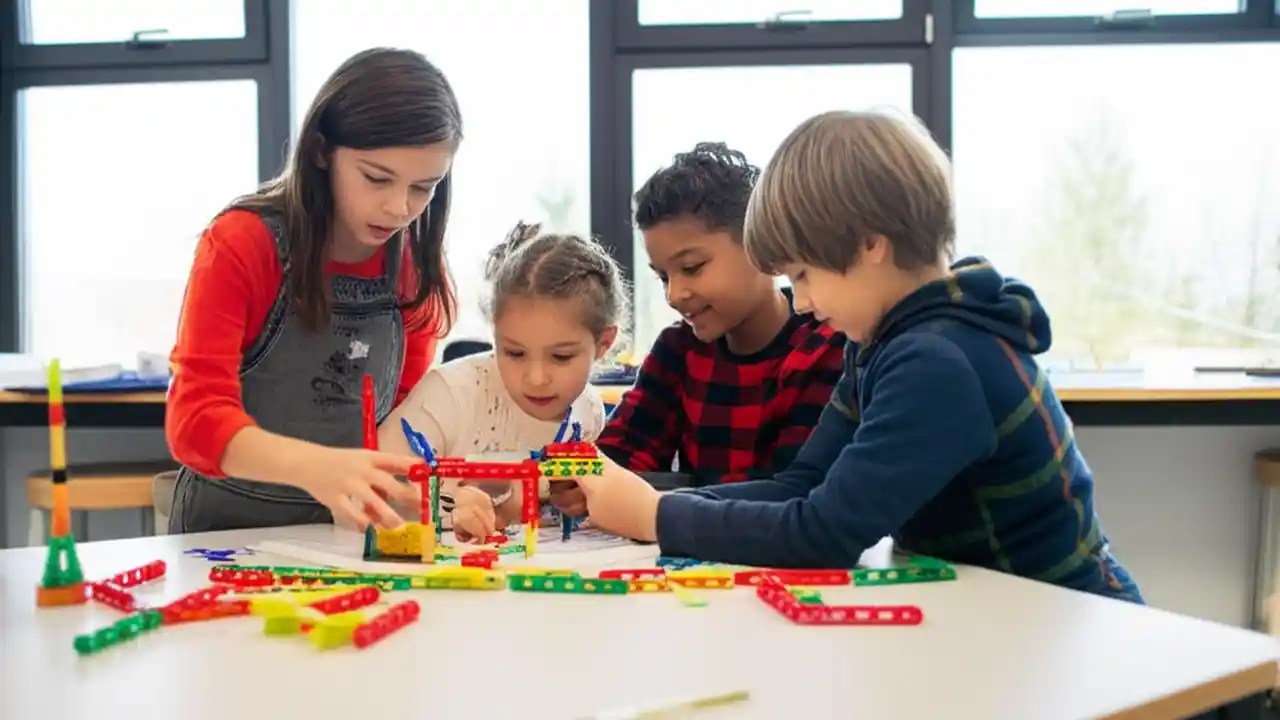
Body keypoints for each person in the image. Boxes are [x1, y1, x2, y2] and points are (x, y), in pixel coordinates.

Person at [572, 111, 1143, 604]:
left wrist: (656, 515)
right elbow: (802, 483)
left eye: (803, 274)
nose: (804, 300)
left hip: (1065, 621)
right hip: (988, 615)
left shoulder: (938, 362)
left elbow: (824, 534)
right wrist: (653, 502)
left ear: (871, 244)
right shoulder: (880, 344)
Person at [165, 48, 462, 534]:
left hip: (347, 537)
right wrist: (320, 469)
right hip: (224, 534)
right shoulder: (243, 244)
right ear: (322, 150)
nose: (398, 208)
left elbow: (408, 425)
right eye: (376, 178)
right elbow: (194, 423)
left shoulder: (415, 270)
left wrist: (448, 497)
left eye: (423, 187)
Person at [554, 143, 844, 515]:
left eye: (691, 268)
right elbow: (623, 452)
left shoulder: (826, 347)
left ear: (761, 246)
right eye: (662, 277)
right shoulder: (678, 349)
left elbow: (793, 490)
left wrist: (655, 498)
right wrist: (583, 479)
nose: (674, 295)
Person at [379, 221, 626, 542]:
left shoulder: (588, 412)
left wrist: (576, 501)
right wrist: (451, 511)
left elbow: (557, 508)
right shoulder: (449, 396)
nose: (536, 379)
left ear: (603, 344)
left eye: (561, 357)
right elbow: (368, 494)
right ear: (494, 333)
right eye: (514, 352)